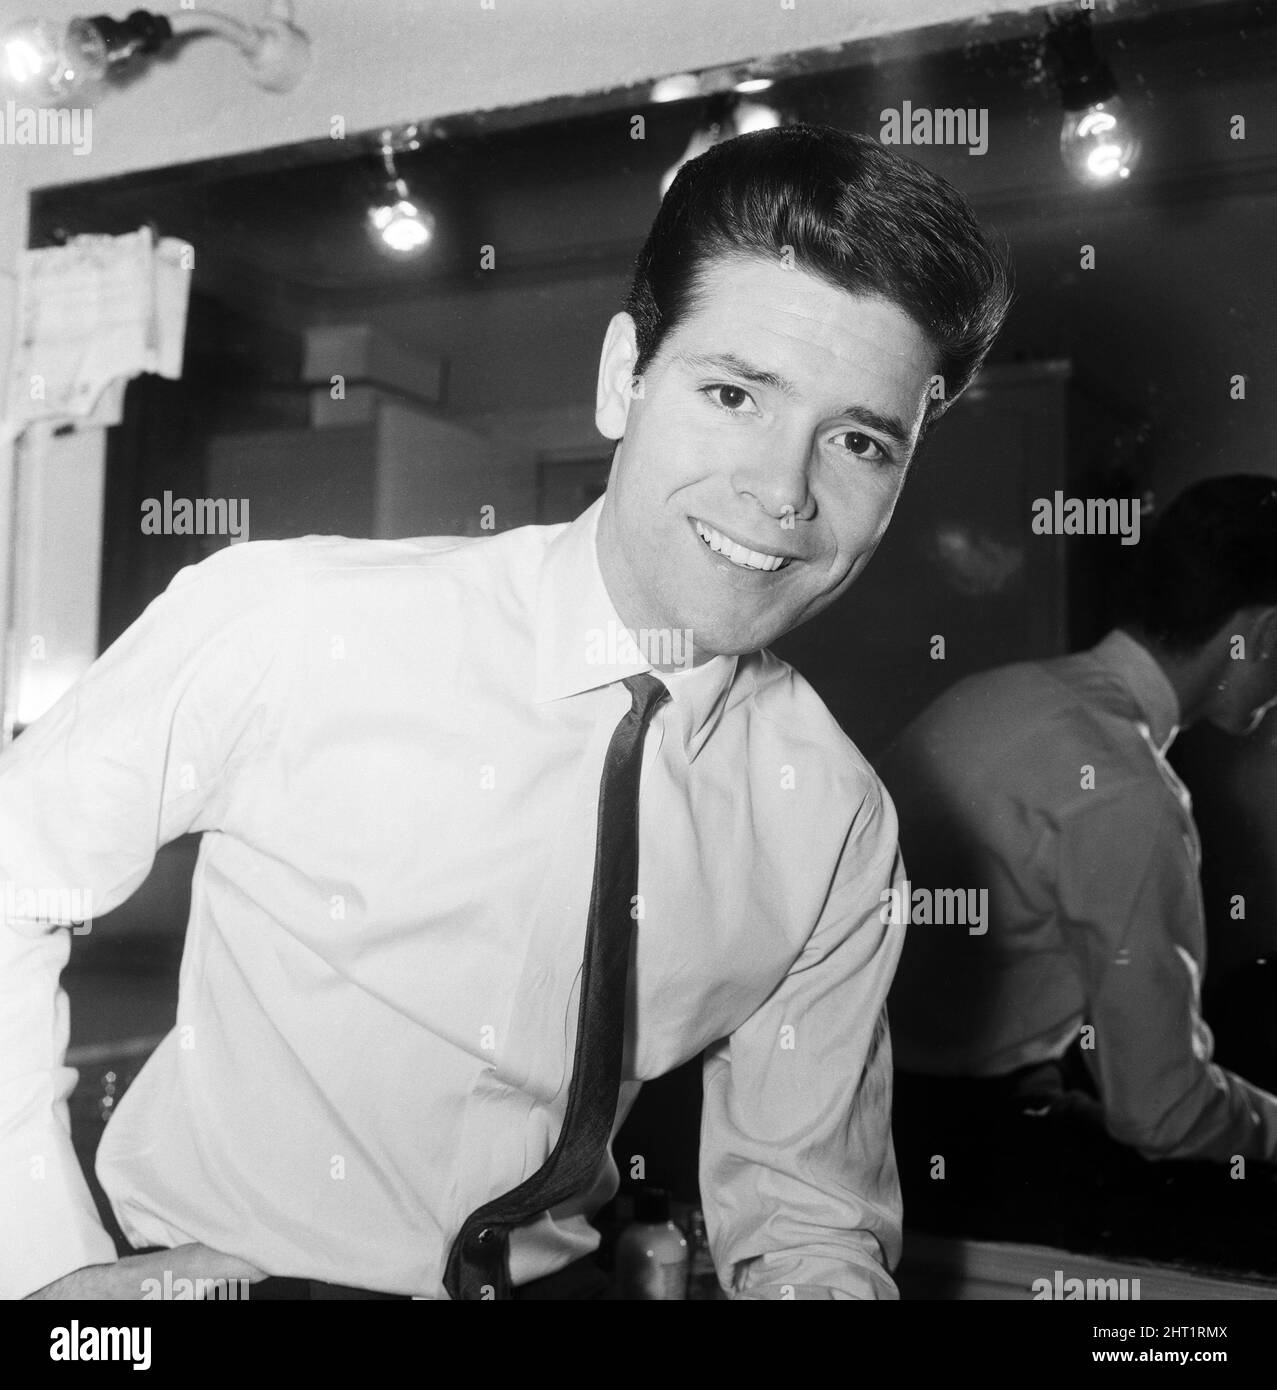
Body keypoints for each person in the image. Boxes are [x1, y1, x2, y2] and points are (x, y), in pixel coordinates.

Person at [0, 124, 1010, 1301]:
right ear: (619, 376)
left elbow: (803, 1211)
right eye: (733, 393)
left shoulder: (834, 822)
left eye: (855, 442)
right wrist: (45, 1269)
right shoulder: (286, 619)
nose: (781, 494)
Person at [883, 474, 1277, 1271]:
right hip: (969, 1158)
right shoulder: (1128, 795)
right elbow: (1160, 1113)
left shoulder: (990, 695)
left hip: (866, 1117)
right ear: (1261, 633)